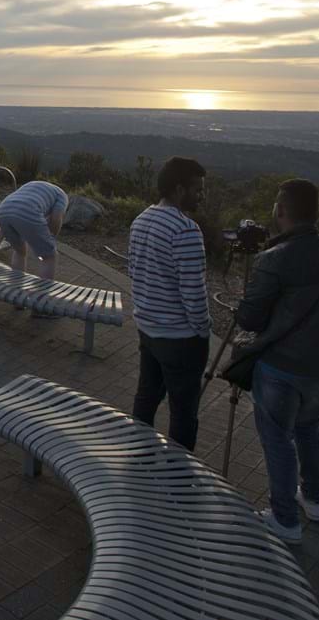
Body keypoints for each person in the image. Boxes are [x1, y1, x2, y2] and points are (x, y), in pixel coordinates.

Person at [235, 179, 319, 544]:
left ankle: (284, 519)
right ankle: (314, 499)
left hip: (282, 364)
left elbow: (249, 320)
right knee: (311, 428)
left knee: (277, 436)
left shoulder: (275, 259)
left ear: (280, 210)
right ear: (317, 213)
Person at [125, 156, 210, 450]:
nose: (202, 195)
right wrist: (203, 330)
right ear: (178, 189)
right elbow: (194, 293)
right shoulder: (186, 230)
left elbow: (133, 272)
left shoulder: (141, 219)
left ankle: (138, 453)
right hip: (180, 337)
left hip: (147, 329)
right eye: (197, 189)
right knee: (184, 413)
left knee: (146, 397)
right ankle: (179, 480)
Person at [0, 179, 67, 279]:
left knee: (19, 251)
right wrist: (51, 240)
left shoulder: (33, 185)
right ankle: (42, 292)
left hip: (3, 210)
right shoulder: (62, 196)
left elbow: (4, 227)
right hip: (29, 210)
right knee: (50, 256)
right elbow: (56, 218)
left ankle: (16, 285)